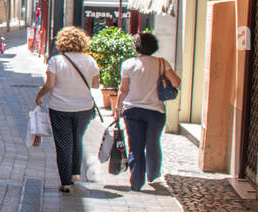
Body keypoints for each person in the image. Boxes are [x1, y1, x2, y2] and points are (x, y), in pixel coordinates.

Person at [35, 26, 100, 193]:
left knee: (64, 143)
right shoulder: (90, 61)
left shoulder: (56, 61)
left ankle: (66, 182)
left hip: (60, 107)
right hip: (84, 107)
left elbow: (50, 85)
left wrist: (39, 95)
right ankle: (75, 173)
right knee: (77, 138)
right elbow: (95, 84)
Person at [115, 31, 181, 192]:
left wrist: (118, 108)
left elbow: (123, 89)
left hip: (133, 110)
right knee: (152, 143)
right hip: (156, 111)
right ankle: (153, 174)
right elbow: (177, 82)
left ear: (137, 47)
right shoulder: (161, 63)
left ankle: (136, 181)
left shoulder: (128, 64)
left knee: (135, 146)